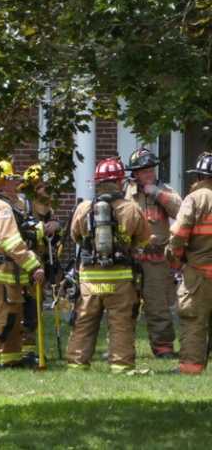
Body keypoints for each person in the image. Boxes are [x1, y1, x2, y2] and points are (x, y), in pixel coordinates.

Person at [65, 158, 150, 373]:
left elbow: (75, 237)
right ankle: (120, 366)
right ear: (121, 181)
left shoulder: (84, 208)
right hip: (120, 278)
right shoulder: (131, 209)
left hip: (89, 279)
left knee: (84, 322)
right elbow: (144, 240)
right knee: (121, 322)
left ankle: (76, 365)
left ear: (97, 183)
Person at [0, 160, 45, 369]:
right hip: (1, 272)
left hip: (8, 274)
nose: (15, 184)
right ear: (3, 182)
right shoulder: (0, 207)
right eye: (12, 179)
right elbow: (11, 242)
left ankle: (11, 358)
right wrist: (34, 265)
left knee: (13, 318)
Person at [124, 147, 182, 359]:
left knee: (158, 306)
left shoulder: (164, 190)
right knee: (125, 306)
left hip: (157, 262)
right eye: (143, 171)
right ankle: (121, 347)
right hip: (130, 260)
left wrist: (157, 193)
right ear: (135, 173)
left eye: (151, 169)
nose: (149, 174)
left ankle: (164, 348)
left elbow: (181, 210)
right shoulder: (126, 194)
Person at [168, 152, 212, 374]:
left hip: (198, 275)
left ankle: (191, 367)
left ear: (199, 175)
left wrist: (176, 258)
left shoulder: (195, 199)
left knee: (194, 320)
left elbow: (179, 234)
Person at [17, 164, 61, 365]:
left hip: (41, 264)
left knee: (35, 308)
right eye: (43, 186)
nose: (47, 191)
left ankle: (30, 349)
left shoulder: (47, 208)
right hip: (25, 265)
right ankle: (22, 350)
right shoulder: (22, 205)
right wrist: (44, 228)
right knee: (25, 308)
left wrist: (56, 227)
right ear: (33, 187)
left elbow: (52, 236)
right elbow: (22, 232)